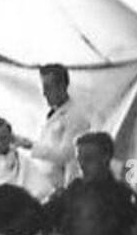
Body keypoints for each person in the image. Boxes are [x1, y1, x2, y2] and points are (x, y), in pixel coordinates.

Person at [44, 131, 137, 235]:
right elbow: (44, 216)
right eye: (79, 159)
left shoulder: (124, 197)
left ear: (106, 158)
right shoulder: (73, 190)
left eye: (88, 159)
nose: (82, 165)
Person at [28, 64, 92, 193]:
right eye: (43, 87)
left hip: (62, 189)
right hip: (43, 186)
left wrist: (29, 145)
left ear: (62, 86)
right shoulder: (49, 113)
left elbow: (66, 155)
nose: (44, 93)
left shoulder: (76, 116)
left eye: (47, 87)